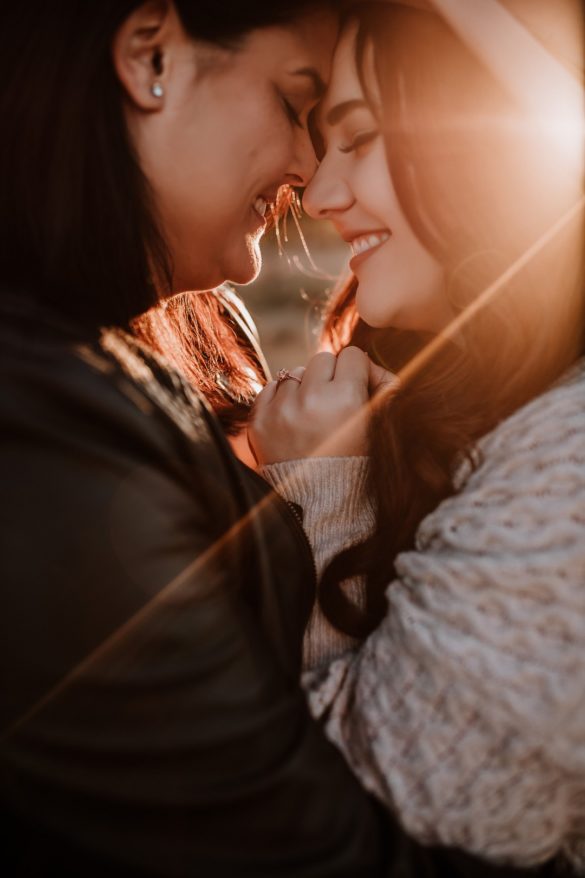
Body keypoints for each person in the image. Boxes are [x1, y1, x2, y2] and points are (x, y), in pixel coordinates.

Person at [0, 2, 392, 875]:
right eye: (296, 104)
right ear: (150, 58)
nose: (307, 166)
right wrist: (323, 498)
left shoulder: (87, 368)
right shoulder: (42, 430)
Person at [250, 0, 585, 870]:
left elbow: (348, 825)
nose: (318, 194)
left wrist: (321, 497)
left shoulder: (571, 460)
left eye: (357, 137)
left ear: (499, 150)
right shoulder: (487, 399)